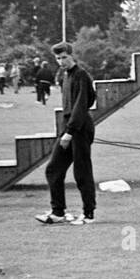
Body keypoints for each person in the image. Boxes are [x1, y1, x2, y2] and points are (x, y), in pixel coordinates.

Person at [35, 42, 97, 225]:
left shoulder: (81, 75)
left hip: (79, 129)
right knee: (53, 168)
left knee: (82, 171)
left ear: (72, 56)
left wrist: (69, 132)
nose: (61, 61)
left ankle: (88, 214)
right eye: (58, 58)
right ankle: (58, 212)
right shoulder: (65, 76)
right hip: (69, 127)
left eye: (64, 57)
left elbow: (82, 104)